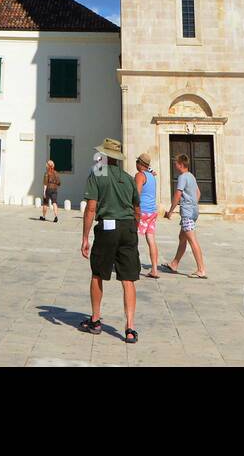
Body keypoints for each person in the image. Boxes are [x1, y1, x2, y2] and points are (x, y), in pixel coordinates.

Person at [80, 138, 140, 342]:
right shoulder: (128, 177)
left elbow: (90, 208)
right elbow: (137, 209)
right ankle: (130, 328)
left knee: (98, 273)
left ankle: (96, 320)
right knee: (128, 278)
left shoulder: (98, 173)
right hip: (128, 228)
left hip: (107, 228)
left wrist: (85, 237)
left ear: (105, 156)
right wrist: (134, 229)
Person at [164, 153, 207, 278]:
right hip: (193, 211)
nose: (174, 165)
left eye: (176, 163)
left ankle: (201, 269)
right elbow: (198, 193)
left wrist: (171, 210)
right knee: (182, 238)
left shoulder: (183, 177)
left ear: (181, 164)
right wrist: (193, 204)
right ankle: (174, 264)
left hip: (187, 213)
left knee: (192, 240)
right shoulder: (191, 176)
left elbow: (178, 195)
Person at [134, 153, 160, 278]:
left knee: (132, 238)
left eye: (137, 162)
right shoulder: (152, 176)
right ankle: (154, 269)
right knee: (151, 239)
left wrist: (133, 209)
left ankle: (133, 266)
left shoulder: (140, 175)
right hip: (152, 211)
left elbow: (136, 194)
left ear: (140, 163)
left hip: (142, 211)